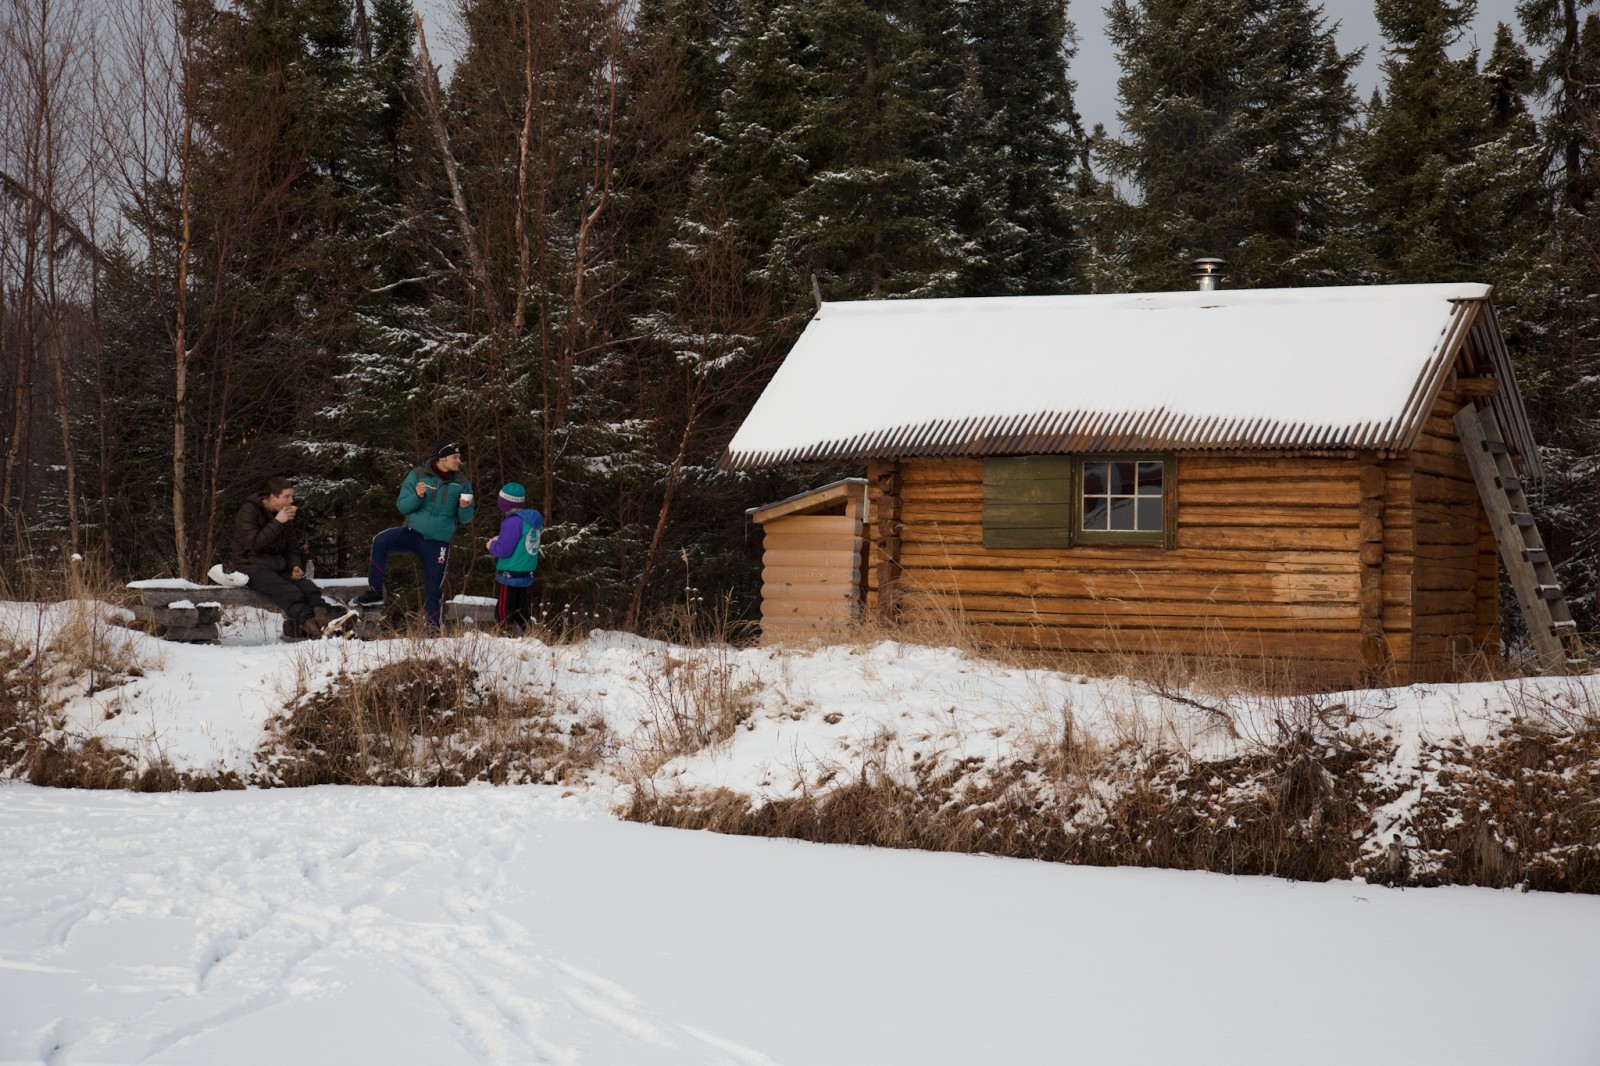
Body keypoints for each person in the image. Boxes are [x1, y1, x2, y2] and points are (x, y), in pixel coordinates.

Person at [349, 440, 476, 631]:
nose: (459, 461)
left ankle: (433, 627)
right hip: (412, 533)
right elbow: (402, 506)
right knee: (381, 540)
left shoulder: (462, 482)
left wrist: (465, 507)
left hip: (438, 542)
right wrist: (417, 496)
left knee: (433, 587)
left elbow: (466, 519)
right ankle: (375, 591)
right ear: (442, 458)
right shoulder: (418, 475)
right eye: (455, 457)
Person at [233, 476, 345, 638]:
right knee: (290, 593)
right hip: (250, 566)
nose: (290, 500)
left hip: (278, 566)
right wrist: (278, 522)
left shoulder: (283, 514)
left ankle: (328, 621)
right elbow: (254, 544)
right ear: (272, 497)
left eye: (291, 496)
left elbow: (291, 547)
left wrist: (295, 566)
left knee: (310, 589)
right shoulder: (249, 511)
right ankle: (317, 632)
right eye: (286, 497)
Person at [484, 482, 543, 633]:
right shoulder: (532, 521)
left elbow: (504, 550)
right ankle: (530, 633)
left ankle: (505, 634)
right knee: (520, 608)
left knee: (504, 609)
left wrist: (492, 545)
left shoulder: (512, 522)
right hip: (524, 571)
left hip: (510, 572)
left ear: (503, 503)